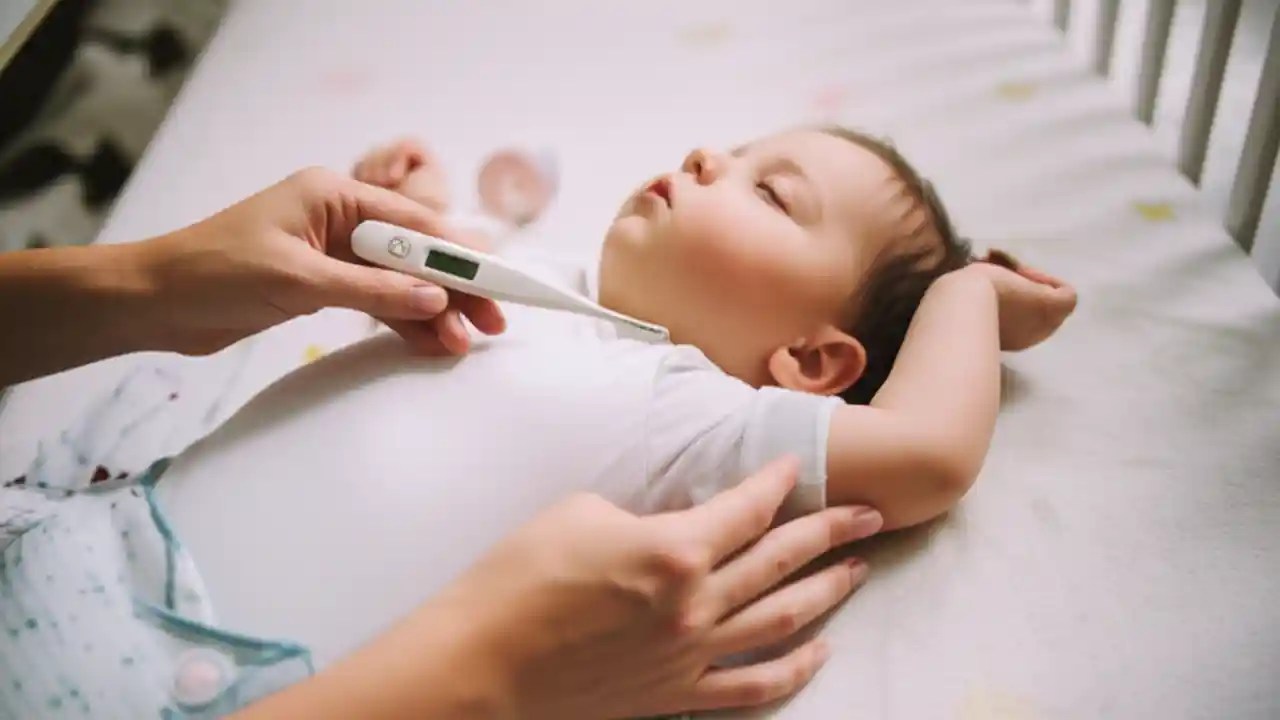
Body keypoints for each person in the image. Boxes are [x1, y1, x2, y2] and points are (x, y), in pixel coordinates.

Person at [0, 168, 886, 718]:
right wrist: (411, 198)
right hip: (63, 530)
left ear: (811, 359)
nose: (705, 158)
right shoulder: (545, 280)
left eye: (770, 192)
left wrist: (971, 301)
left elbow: (924, 456)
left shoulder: (705, 411)